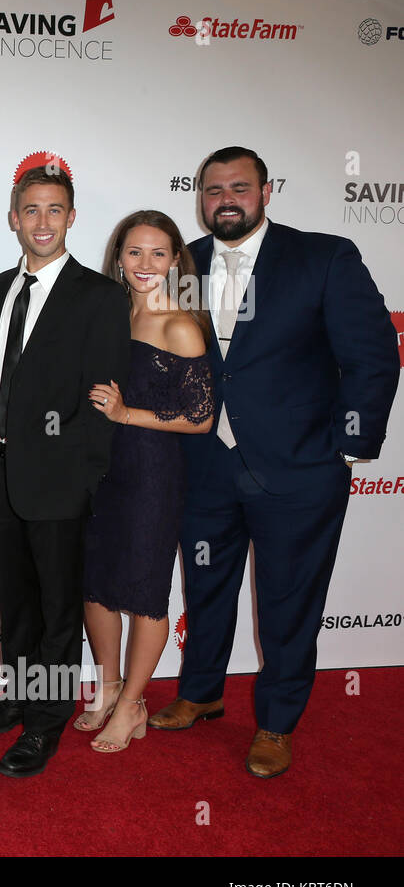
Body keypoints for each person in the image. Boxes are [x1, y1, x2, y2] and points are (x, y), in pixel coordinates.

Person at [150, 146, 398, 778]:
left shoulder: (323, 256)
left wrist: (348, 446)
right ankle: (202, 692)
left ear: (265, 192)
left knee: (289, 601)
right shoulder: (186, 265)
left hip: (298, 470)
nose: (224, 199)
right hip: (205, 464)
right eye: (212, 190)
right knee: (206, 587)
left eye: (239, 187)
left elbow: (372, 354)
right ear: (198, 199)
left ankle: (276, 721)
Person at [0, 164, 130, 777]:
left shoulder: (98, 295)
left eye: (54, 210)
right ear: (14, 218)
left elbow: (103, 399)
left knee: (60, 608)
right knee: (17, 599)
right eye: (30, 210)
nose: (42, 221)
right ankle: (18, 694)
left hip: (59, 479)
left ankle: (45, 723)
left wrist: (84, 476)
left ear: (71, 217)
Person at [78, 211, 213, 753]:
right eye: (135, 252)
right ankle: (109, 688)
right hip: (102, 469)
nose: (145, 264)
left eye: (159, 253)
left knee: (145, 592)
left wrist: (126, 415)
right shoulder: (112, 316)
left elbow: (201, 417)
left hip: (152, 474)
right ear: (118, 257)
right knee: (96, 586)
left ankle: (134, 703)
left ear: (176, 261)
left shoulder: (179, 325)